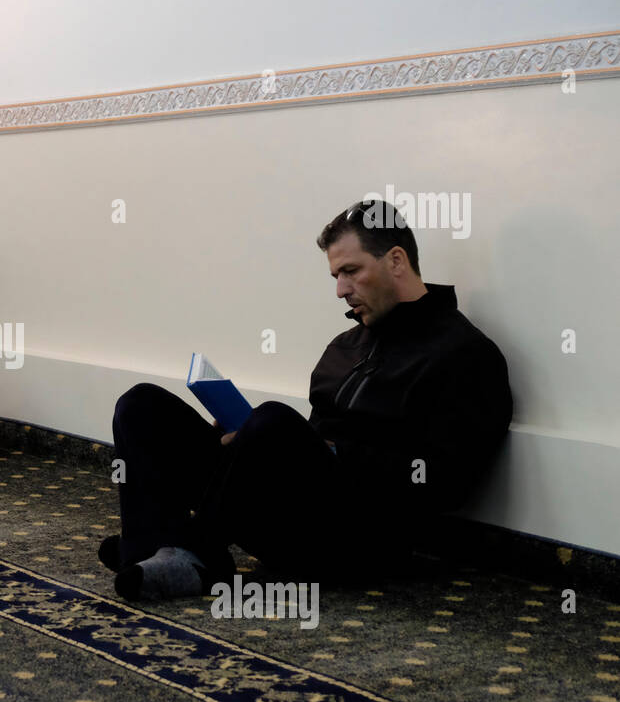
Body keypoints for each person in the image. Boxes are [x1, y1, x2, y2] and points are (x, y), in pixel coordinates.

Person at [105, 200, 512, 601]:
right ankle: (148, 551)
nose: (340, 290)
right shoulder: (346, 346)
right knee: (141, 405)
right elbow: (311, 444)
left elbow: (447, 482)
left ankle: (196, 554)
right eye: (336, 275)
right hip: (291, 517)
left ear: (396, 261)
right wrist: (243, 442)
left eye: (351, 272)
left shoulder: (463, 354)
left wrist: (337, 451)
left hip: (361, 539)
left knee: (272, 421)